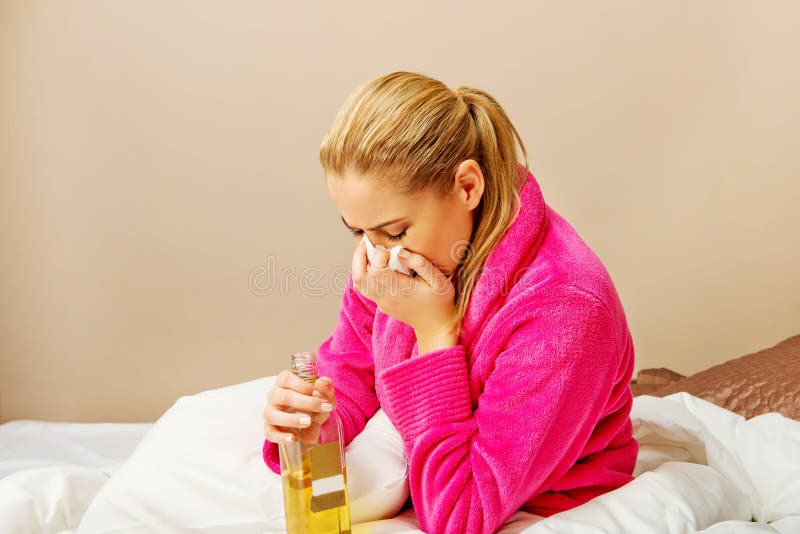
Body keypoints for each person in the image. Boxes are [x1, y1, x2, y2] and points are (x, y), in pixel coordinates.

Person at [262, 71, 639, 533]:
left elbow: (460, 517)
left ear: (467, 187)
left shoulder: (564, 309)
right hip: (430, 460)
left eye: (396, 232)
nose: (378, 256)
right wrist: (312, 424)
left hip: (542, 504)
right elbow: (352, 365)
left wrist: (434, 334)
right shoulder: (397, 259)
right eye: (359, 231)